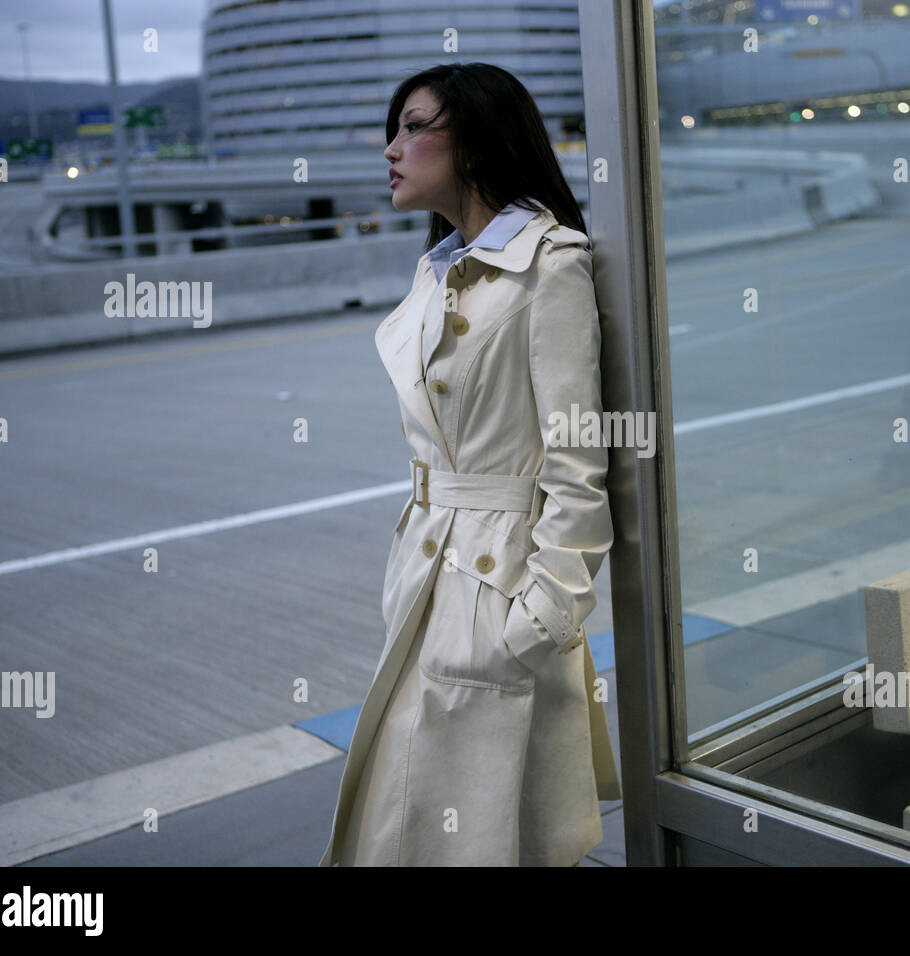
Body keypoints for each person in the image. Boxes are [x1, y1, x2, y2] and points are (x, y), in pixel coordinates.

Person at [318, 62, 622, 867]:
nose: (392, 148)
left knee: (471, 832)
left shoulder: (547, 264)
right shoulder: (439, 269)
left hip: (499, 583)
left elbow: (575, 459)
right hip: (426, 574)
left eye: (415, 127)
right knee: (412, 825)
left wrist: (538, 621)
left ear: (479, 141)